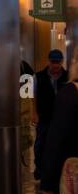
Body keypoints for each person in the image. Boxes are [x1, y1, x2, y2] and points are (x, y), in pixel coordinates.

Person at [34, 50, 68, 179]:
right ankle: (40, 170)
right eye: (53, 62)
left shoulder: (68, 76)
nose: (56, 65)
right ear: (49, 61)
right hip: (44, 116)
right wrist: (34, 112)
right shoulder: (38, 76)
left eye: (58, 62)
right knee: (40, 144)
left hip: (62, 118)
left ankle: (59, 170)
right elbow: (34, 96)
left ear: (61, 62)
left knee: (60, 144)